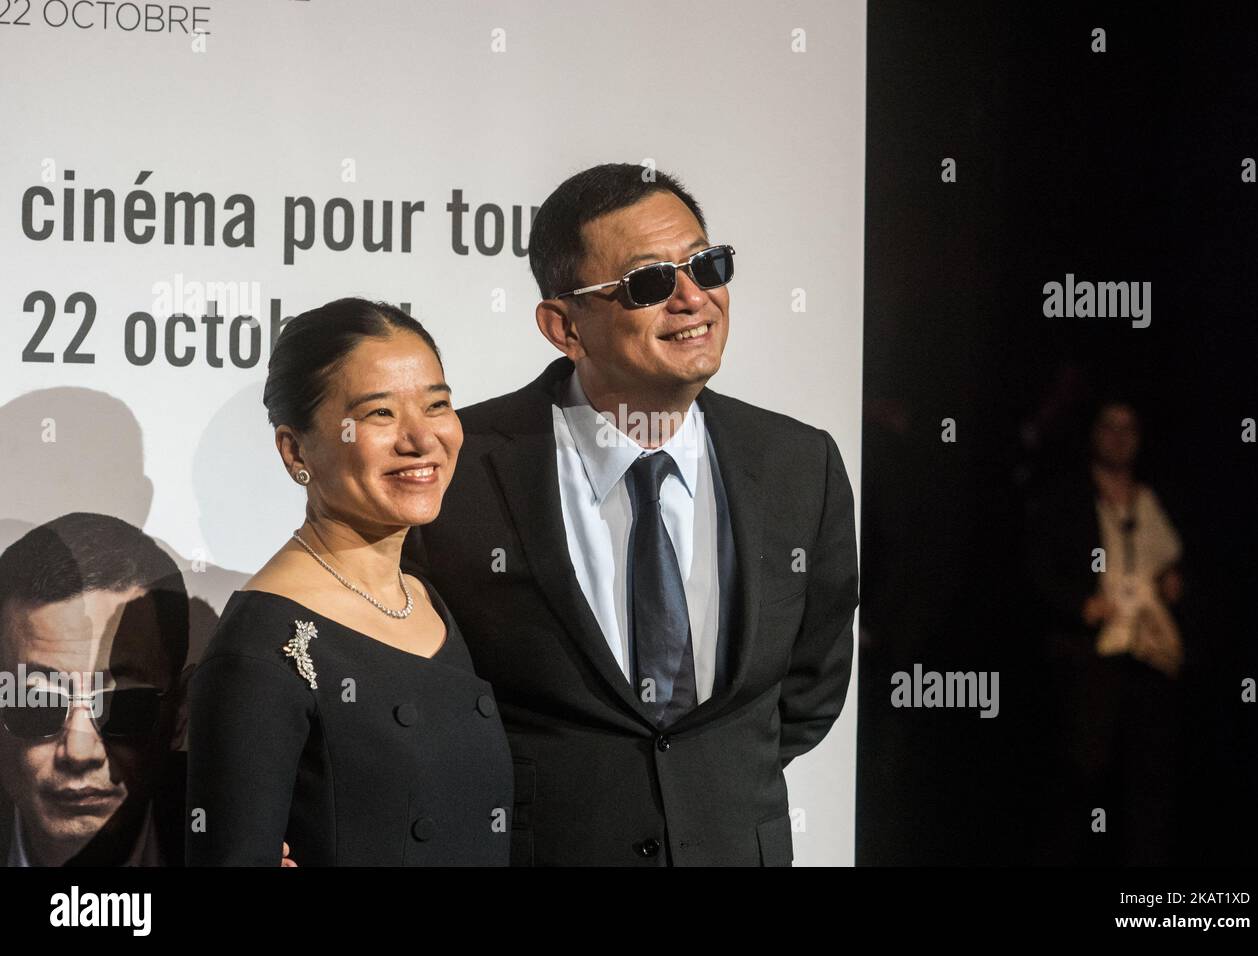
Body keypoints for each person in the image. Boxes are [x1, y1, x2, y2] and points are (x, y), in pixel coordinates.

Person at [403, 163, 860, 866]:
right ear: (564, 325)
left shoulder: (802, 464)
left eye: (706, 266)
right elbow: (423, 700)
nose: (692, 299)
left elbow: (809, 688)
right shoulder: (458, 467)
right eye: (650, 282)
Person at [186, 298, 513, 866]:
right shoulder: (264, 643)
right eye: (380, 414)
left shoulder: (426, 602)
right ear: (295, 450)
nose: (421, 439)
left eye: (437, 404)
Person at [1026, 399, 1186, 865]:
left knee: (1148, 784)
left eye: (1129, 427)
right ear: (1093, 433)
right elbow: (1036, 567)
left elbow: (1174, 560)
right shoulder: (1068, 497)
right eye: (1109, 427)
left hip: (1150, 656)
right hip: (1091, 657)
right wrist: (1081, 604)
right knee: (1080, 778)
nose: (1119, 437)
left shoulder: (1153, 496)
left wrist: (1174, 583)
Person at [0, 512, 189, 866]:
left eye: (123, 705)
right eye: (38, 703)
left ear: (180, 715)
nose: (79, 751)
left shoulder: (240, 833)